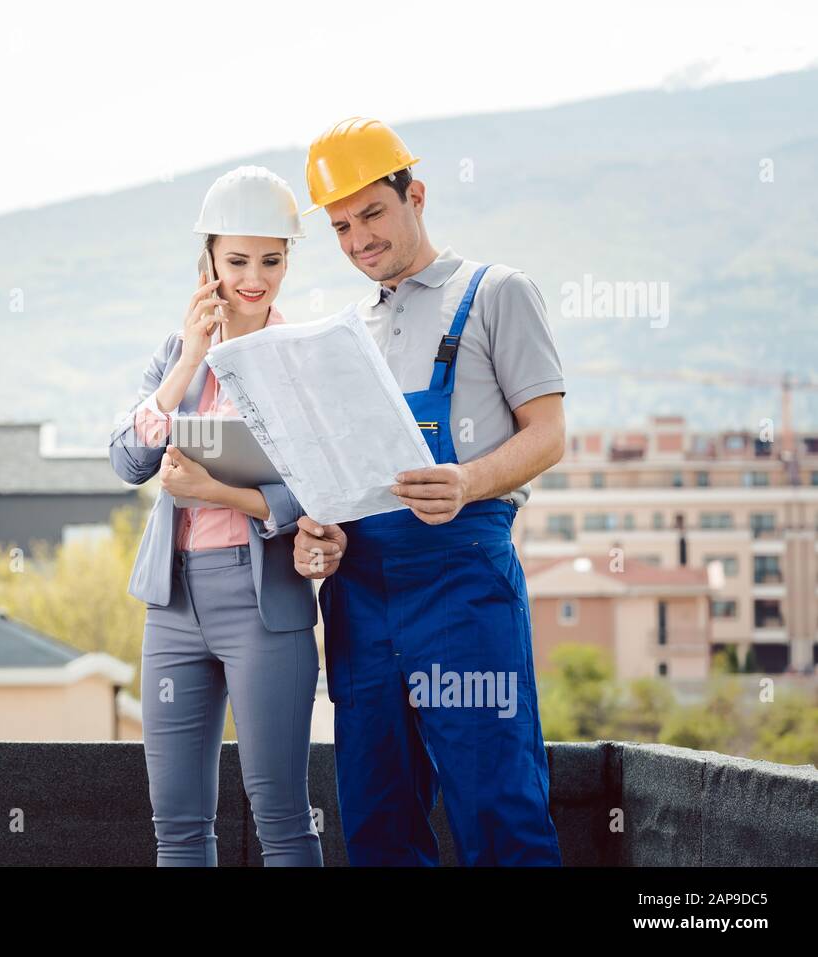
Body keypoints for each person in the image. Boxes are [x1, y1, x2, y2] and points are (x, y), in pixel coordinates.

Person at [293, 117, 566, 866]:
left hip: (461, 585)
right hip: (359, 596)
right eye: (341, 226)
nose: (358, 241)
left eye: (372, 214)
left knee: (497, 806)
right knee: (378, 821)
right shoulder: (347, 334)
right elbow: (340, 473)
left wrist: (468, 481)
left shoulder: (495, 293)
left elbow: (548, 433)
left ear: (415, 195)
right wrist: (323, 530)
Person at [108, 166, 323, 866]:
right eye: (236, 261)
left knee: (283, 816)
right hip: (173, 602)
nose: (254, 278)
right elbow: (127, 460)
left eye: (271, 260)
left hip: (263, 602)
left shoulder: (302, 360)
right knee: (176, 821)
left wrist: (217, 493)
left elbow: (319, 491)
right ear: (207, 262)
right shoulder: (176, 355)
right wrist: (189, 361)